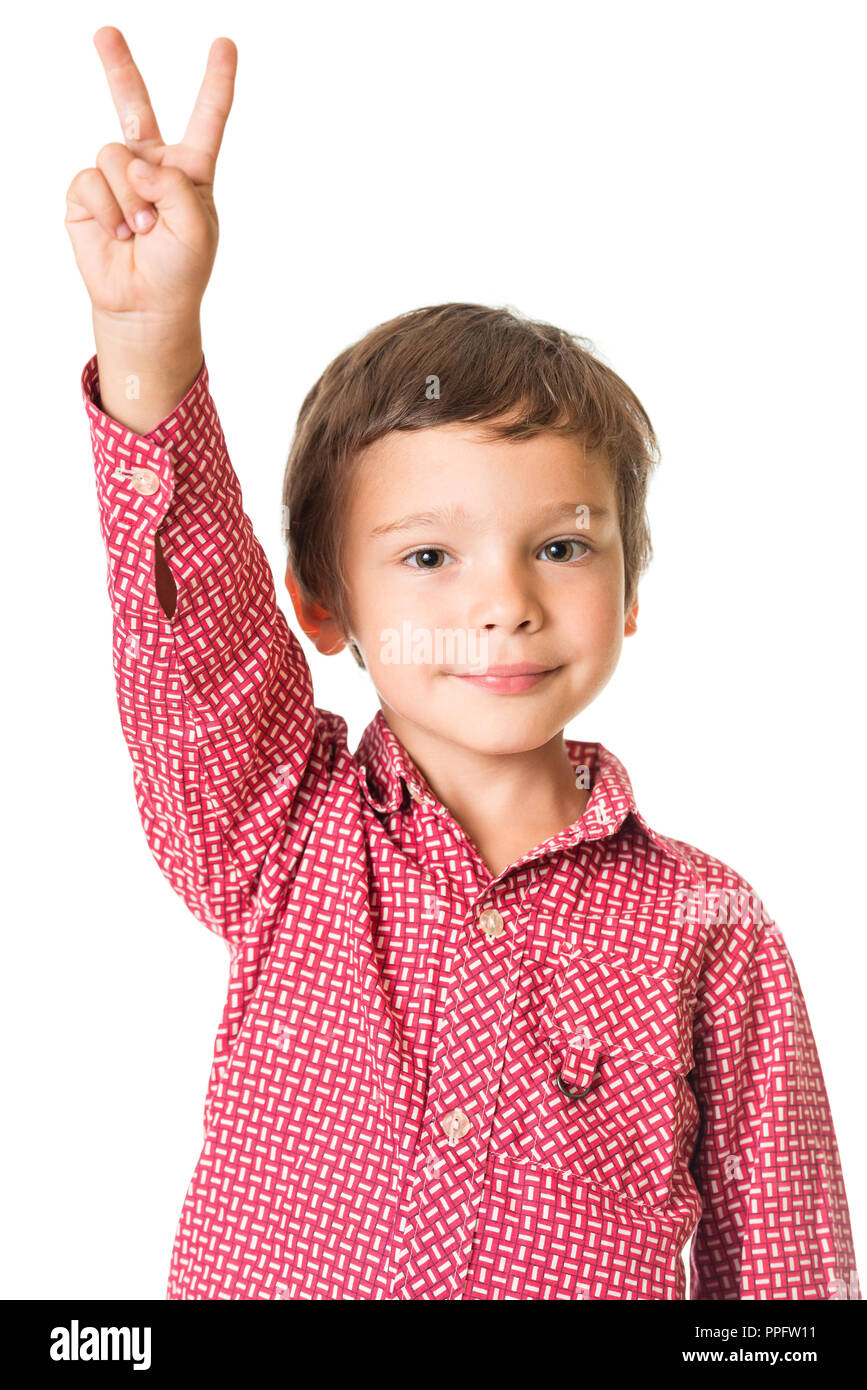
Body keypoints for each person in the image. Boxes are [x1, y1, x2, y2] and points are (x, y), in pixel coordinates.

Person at [66, 26, 859, 1301]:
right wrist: (149, 342)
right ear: (325, 606)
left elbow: (789, 1270)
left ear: (631, 588)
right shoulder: (280, 836)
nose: (503, 604)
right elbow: (192, 644)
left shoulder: (714, 926)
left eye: (558, 545)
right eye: (429, 558)